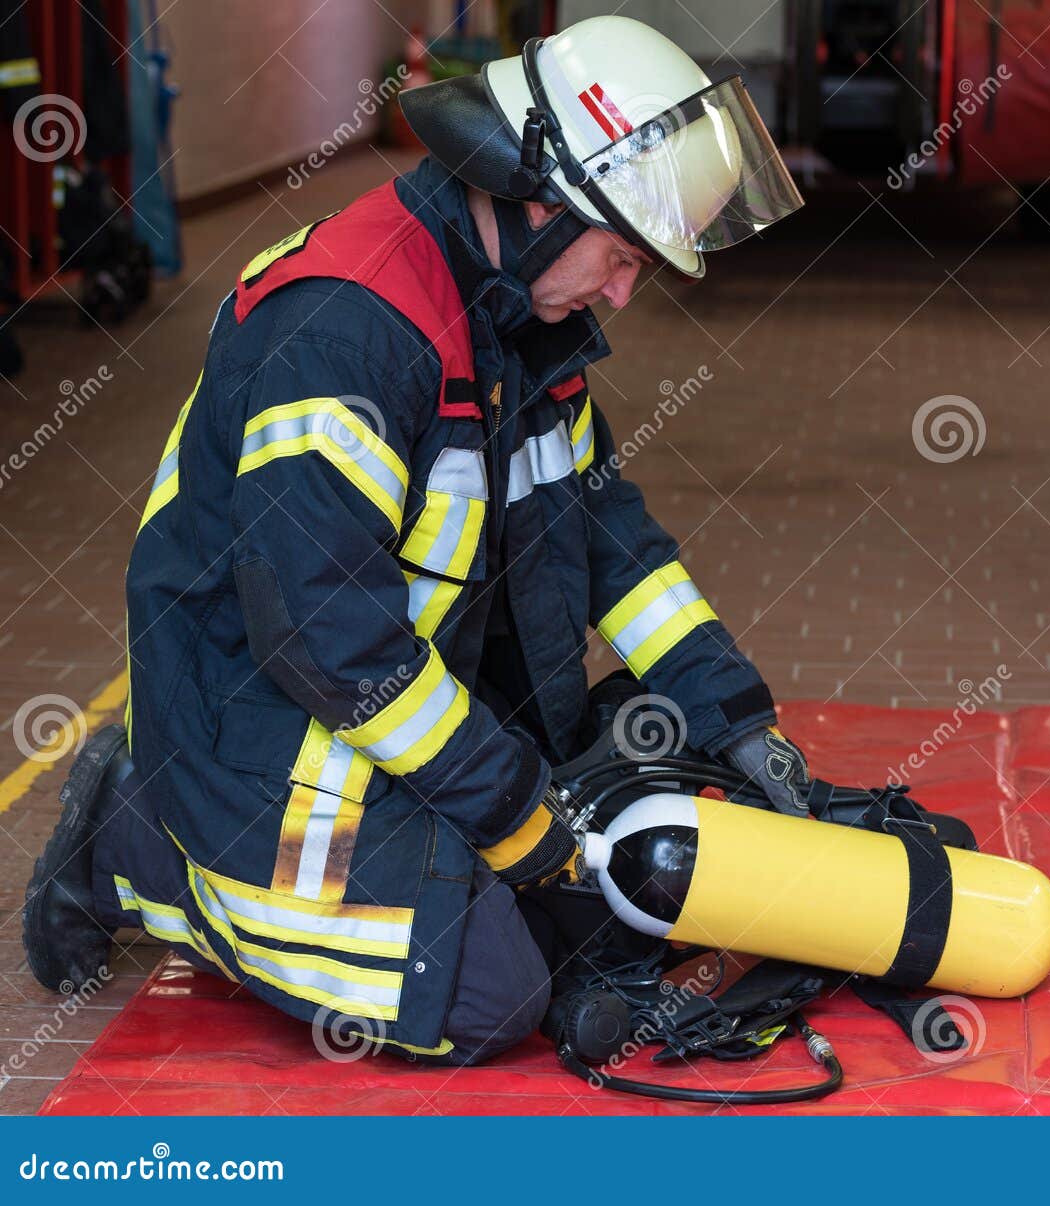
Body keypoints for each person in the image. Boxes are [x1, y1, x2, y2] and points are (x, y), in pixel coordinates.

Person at [24, 15, 813, 1067]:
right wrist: (512, 811)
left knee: (621, 886)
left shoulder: (519, 321)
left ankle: (457, 844)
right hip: (256, 728)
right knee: (485, 993)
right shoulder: (346, 333)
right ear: (540, 203)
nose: (624, 293)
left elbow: (610, 543)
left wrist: (734, 714)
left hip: (395, 709)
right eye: (622, 255)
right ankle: (141, 836)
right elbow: (329, 639)